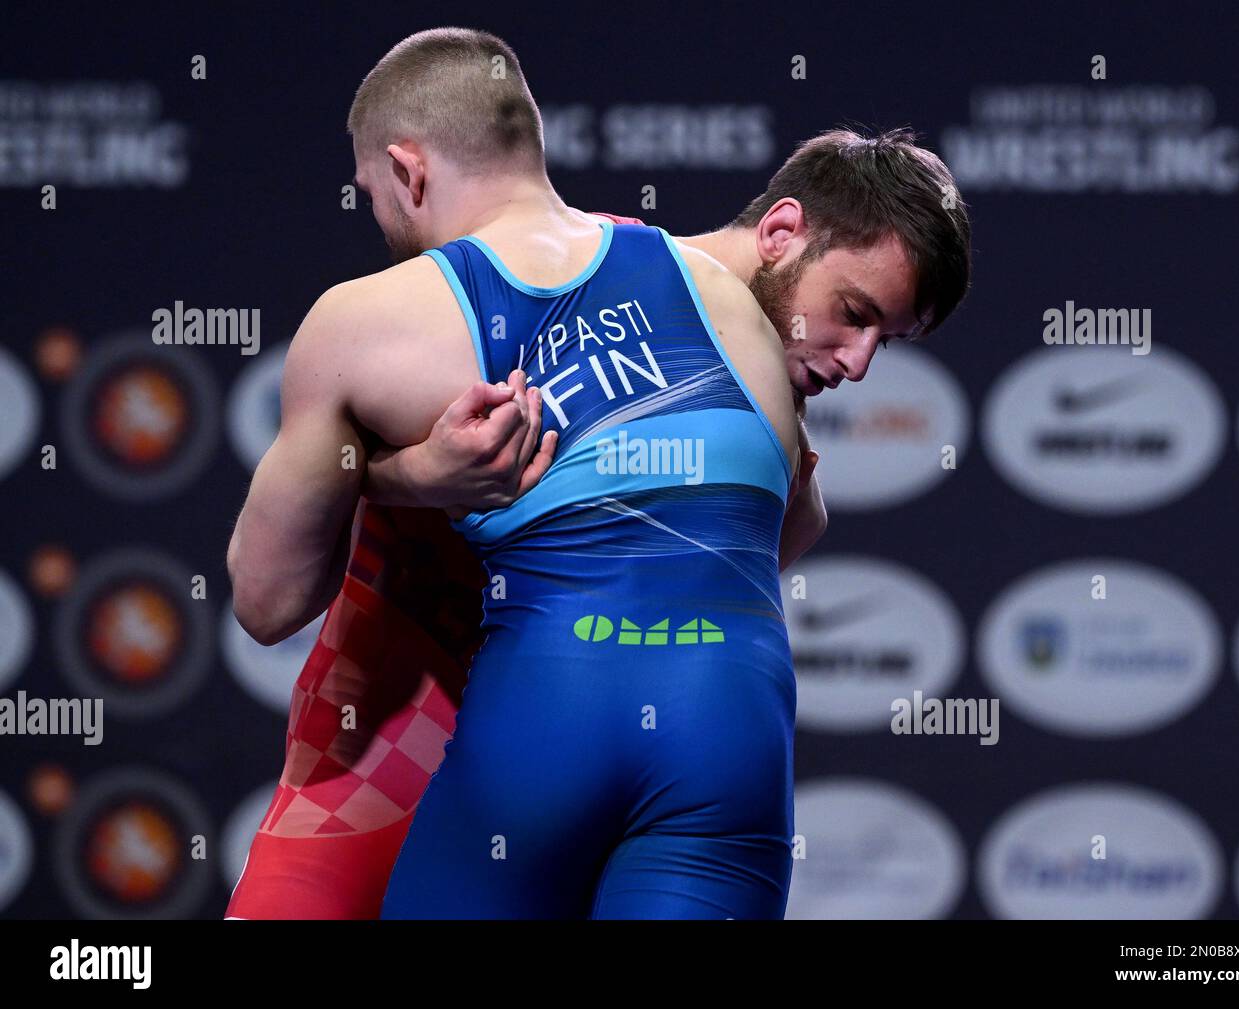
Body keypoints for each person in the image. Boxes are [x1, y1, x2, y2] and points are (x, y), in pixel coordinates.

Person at [225, 29, 971, 918]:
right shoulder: (721, 311)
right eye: (853, 317)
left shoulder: (374, 319)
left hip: (449, 731)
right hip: (712, 724)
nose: (855, 362)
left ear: (407, 173)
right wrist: (416, 478)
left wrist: (401, 476)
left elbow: (263, 601)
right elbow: (789, 527)